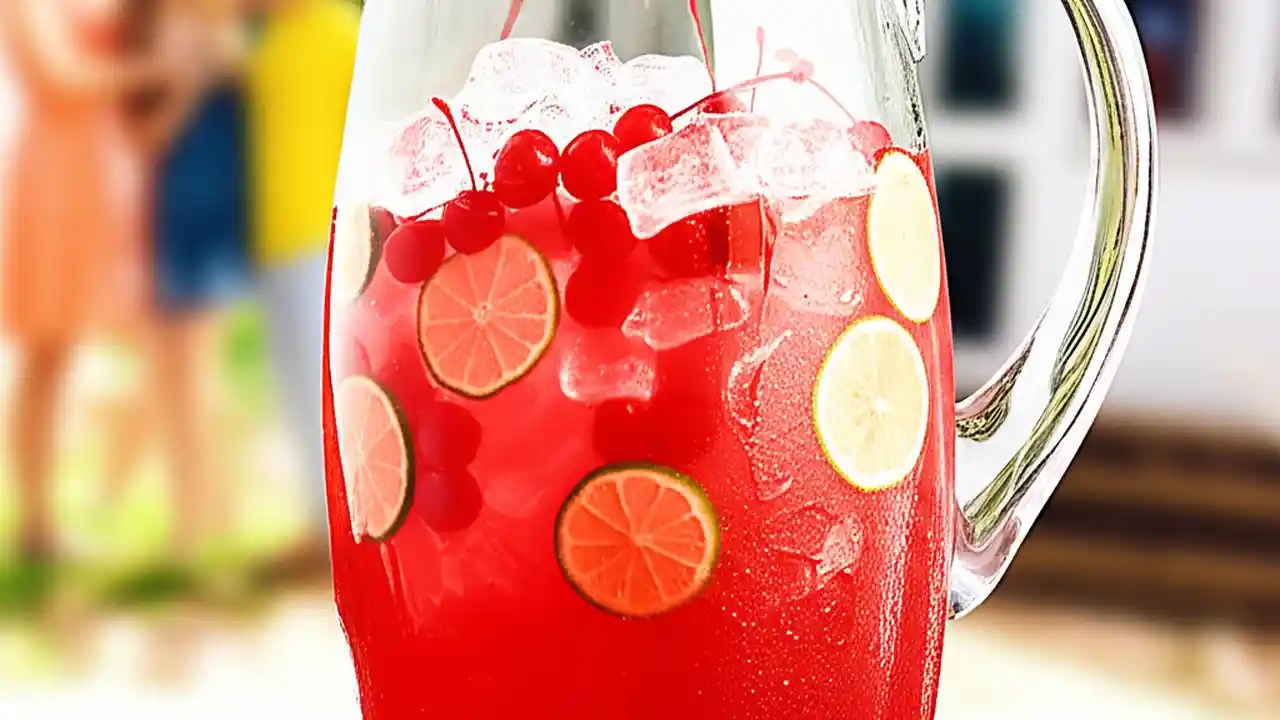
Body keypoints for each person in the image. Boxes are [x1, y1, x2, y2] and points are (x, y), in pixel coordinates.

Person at [0, 0, 162, 567]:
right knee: (47, 350)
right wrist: (153, 70)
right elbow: (59, 77)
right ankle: (39, 522)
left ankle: (82, 504)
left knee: (69, 353)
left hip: (100, 169)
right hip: (54, 176)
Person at [247, 0, 360, 573]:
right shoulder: (270, 43)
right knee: (297, 390)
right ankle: (318, 526)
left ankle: (337, 533)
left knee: (326, 390)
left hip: (322, 237)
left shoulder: (338, 32)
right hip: (276, 237)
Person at [138, 0, 251, 558]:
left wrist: (186, 88)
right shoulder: (190, 26)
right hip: (173, 212)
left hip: (196, 215)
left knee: (192, 373)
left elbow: (157, 133)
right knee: (184, 375)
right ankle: (205, 515)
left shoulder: (208, 29)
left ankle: (204, 520)